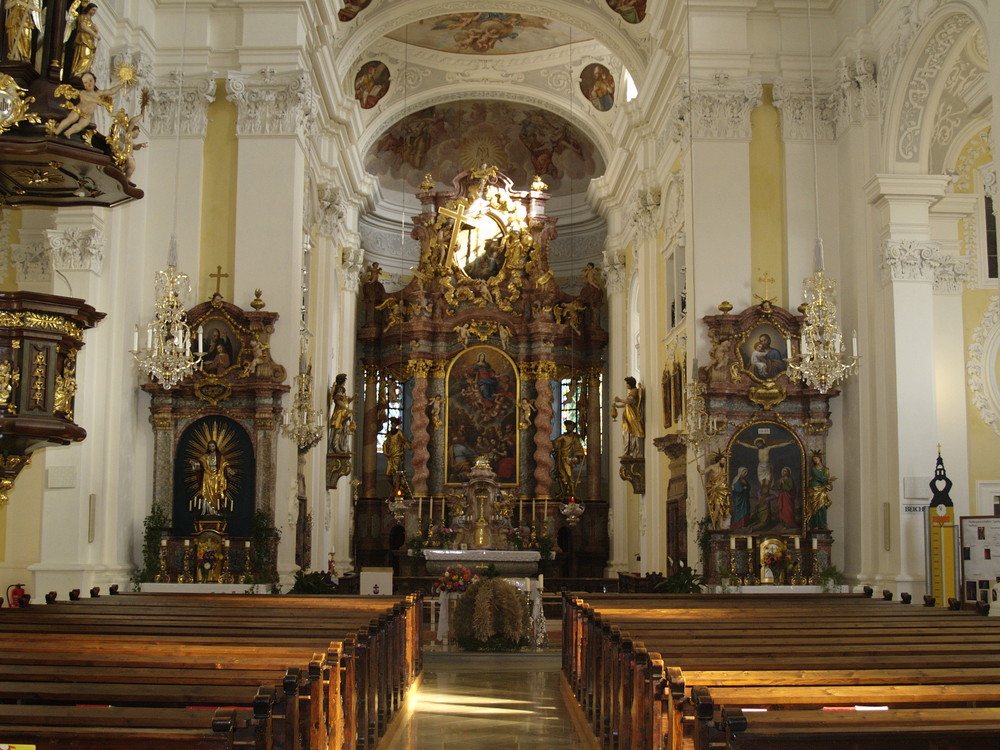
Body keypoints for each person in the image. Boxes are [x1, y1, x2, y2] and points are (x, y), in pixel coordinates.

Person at [53, 70, 122, 139]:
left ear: (94, 81)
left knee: (81, 125)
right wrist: (97, 101)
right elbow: (87, 98)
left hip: (87, 115)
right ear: (83, 85)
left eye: (90, 80)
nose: (89, 84)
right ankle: (58, 130)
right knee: (69, 120)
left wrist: (121, 85)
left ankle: (68, 132)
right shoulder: (83, 92)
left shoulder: (98, 93)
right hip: (78, 110)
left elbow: (111, 91)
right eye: (85, 82)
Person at [190, 440, 234, 516]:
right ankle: (207, 511)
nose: (211, 448)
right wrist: (194, 464)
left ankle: (215, 511)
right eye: (210, 446)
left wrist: (229, 470)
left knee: (216, 494)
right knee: (206, 494)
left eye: (213, 446)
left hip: (217, 477)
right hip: (207, 477)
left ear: (215, 447)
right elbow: (200, 464)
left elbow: (225, 465)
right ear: (208, 447)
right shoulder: (205, 456)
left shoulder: (220, 457)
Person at [64, 2, 101, 79]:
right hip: (83, 39)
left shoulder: (92, 22)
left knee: (89, 57)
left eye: (95, 11)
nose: (94, 12)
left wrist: (96, 30)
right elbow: (83, 26)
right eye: (93, 10)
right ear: (88, 9)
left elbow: (95, 30)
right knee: (84, 56)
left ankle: (84, 72)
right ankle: (78, 72)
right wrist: (95, 34)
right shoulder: (82, 17)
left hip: (90, 42)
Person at [552, 420, 585, 499]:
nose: (568, 428)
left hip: (569, 459)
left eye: (570, 426)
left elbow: (578, 446)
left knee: (569, 476)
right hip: (561, 458)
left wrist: (580, 454)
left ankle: (572, 493)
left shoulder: (574, 437)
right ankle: (564, 492)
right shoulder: (563, 436)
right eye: (567, 426)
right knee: (562, 476)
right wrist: (557, 449)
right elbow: (555, 442)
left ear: (572, 427)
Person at [612, 376, 644, 458]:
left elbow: (630, 401)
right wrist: (617, 406)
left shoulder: (634, 391)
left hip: (633, 416)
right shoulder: (631, 392)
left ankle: (637, 453)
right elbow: (626, 404)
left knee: (636, 433)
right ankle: (628, 452)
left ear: (630, 384)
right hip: (628, 416)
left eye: (627, 384)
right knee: (627, 433)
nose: (626, 385)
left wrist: (619, 400)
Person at [698, 452, 730, 530]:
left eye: (725, 460)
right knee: (718, 506)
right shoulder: (712, 467)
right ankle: (713, 524)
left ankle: (721, 525)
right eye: (723, 460)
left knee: (721, 507)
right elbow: (703, 472)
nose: (724, 462)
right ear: (719, 460)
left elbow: (724, 479)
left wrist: (717, 485)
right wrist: (698, 469)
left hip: (721, 489)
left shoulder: (723, 469)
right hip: (714, 490)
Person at [805, 452, 834, 530]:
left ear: (820, 458)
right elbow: (820, 477)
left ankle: (823, 524)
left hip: (822, 490)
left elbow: (826, 480)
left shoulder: (826, 469)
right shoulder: (814, 469)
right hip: (814, 490)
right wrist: (828, 480)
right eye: (814, 459)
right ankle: (815, 524)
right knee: (815, 508)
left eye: (816, 458)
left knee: (823, 507)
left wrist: (829, 484)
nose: (815, 460)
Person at [328, 373, 355, 453]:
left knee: (345, 430)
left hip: (343, 413)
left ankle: (343, 447)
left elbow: (345, 401)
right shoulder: (340, 389)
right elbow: (338, 401)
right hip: (339, 413)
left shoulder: (341, 390)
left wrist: (353, 398)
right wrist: (347, 408)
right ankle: (335, 447)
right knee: (338, 430)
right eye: (345, 380)